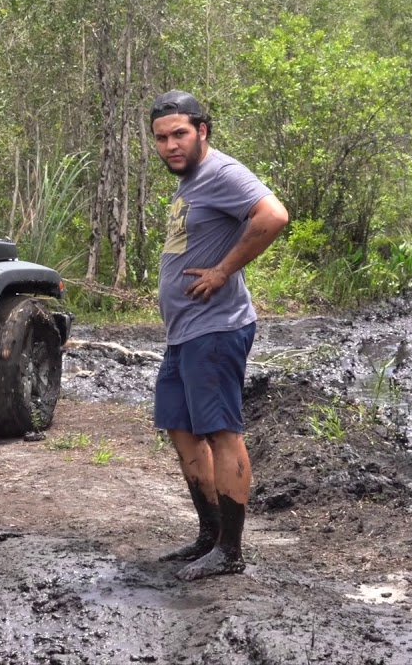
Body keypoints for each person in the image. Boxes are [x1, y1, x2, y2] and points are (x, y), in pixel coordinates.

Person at [149, 90, 290, 581]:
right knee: (180, 426)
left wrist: (224, 271)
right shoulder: (189, 182)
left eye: (179, 134)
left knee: (220, 433)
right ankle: (209, 535)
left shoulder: (223, 173)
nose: (170, 145)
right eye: (162, 138)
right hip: (184, 331)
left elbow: (273, 216)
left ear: (202, 131)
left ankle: (230, 551)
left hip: (216, 327)